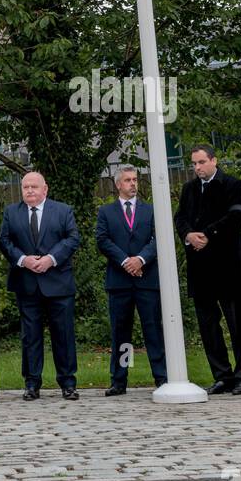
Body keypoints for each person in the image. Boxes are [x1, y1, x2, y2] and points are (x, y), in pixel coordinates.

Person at [174, 144, 241, 395]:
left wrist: (208, 234)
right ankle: (222, 375)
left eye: (201, 162)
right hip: (200, 268)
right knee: (208, 326)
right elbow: (180, 218)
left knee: (236, 325)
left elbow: (236, 217)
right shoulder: (189, 189)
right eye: (193, 163)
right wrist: (188, 235)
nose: (197, 168)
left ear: (214, 160)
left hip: (227, 266)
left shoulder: (232, 185)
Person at [0, 170, 81, 401]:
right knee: (30, 336)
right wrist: (23, 259)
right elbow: (4, 241)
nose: (30, 191)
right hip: (27, 283)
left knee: (63, 334)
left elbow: (73, 238)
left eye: (34, 187)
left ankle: (68, 383)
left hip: (58, 282)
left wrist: (50, 259)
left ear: (45, 189)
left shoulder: (63, 211)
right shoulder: (11, 213)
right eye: (26, 187)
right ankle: (32, 383)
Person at [95, 165, 167, 394]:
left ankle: (161, 377)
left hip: (146, 279)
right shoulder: (106, 212)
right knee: (122, 332)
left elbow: (159, 238)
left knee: (153, 330)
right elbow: (103, 240)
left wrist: (141, 260)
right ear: (118, 184)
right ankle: (120, 379)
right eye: (127, 180)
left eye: (135, 179)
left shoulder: (150, 210)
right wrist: (126, 261)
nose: (133, 184)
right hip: (120, 281)